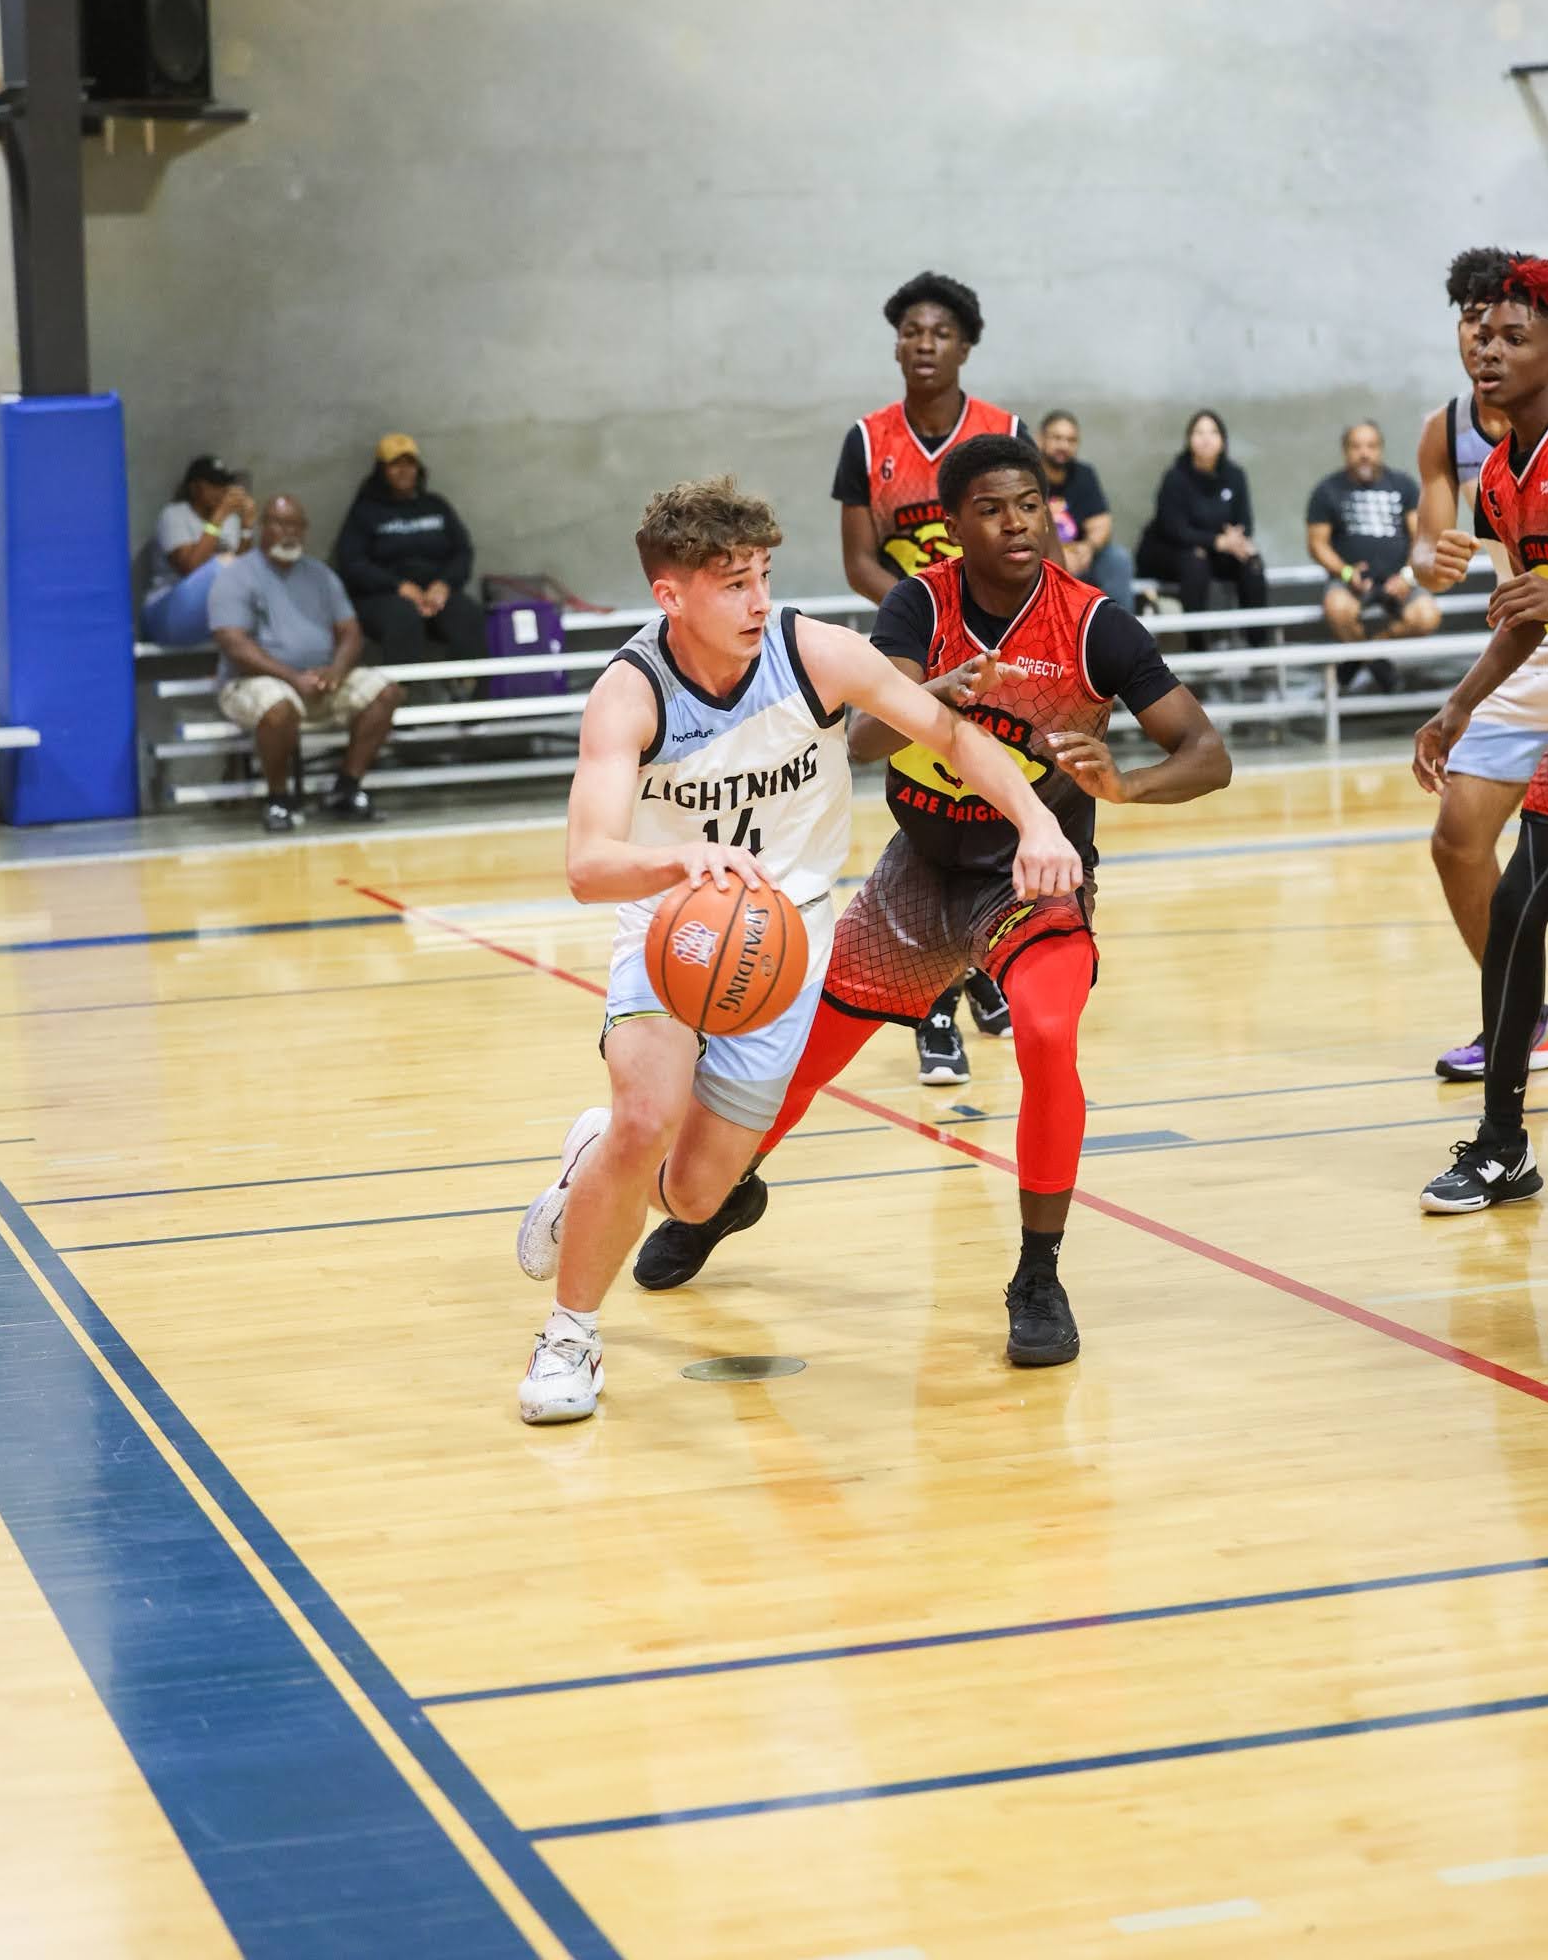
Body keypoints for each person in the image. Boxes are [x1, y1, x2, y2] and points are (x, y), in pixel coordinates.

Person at [632, 435, 1231, 1369]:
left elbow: (1208, 753)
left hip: (1028, 876)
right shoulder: (920, 603)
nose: (1016, 523)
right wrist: (928, 698)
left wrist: (1127, 785)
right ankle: (723, 1198)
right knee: (797, 1056)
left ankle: (1039, 1271)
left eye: (1029, 504)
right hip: (918, 868)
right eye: (991, 508)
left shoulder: (1093, 624)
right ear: (953, 527)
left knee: (1043, 1035)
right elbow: (863, 741)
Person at [512, 472, 1085, 1425]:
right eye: (733, 583)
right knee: (646, 1113)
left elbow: (948, 733)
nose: (758, 599)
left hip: (787, 938)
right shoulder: (630, 693)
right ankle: (570, 1338)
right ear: (672, 595)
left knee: (695, 1198)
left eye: (763, 574)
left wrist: (1034, 819)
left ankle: (590, 1162)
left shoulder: (813, 653)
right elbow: (587, 865)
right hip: (672, 926)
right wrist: (677, 865)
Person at [831, 269, 1034, 1085]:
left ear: (966, 346)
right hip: (915, 644)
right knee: (929, 813)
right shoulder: (867, 440)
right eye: (912, 331)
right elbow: (856, 563)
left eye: (940, 332)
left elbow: (1032, 544)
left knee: (994, 806)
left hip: (995, 643)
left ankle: (982, 964)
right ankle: (935, 1012)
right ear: (897, 344)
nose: (924, 344)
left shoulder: (1001, 430)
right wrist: (927, 614)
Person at [1414, 256, 1548, 1212]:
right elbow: (1526, 616)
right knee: (1514, 902)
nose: (1486, 351)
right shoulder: (1500, 474)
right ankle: (1503, 1144)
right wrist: (1458, 704)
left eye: (1511, 336)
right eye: (1479, 334)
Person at [208, 494, 401, 832]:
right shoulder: (236, 576)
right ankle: (278, 799)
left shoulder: (321, 576)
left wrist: (337, 671)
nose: (289, 532)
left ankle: (347, 788)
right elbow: (234, 645)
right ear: (264, 527)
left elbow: (351, 632)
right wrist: (292, 678)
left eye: (296, 525)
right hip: (252, 681)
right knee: (278, 706)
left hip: (320, 680)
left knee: (384, 693)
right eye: (281, 524)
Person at [333, 434, 492, 670]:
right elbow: (352, 562)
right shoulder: (365, 511)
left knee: (468, 615)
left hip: (435, 593)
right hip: (383, 596)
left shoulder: (436, 505)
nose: (404, 471)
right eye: (395, 464)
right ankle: (400, 694)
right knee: (403, 617)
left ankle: (473, 693)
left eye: (410, 463)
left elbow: (463, 551)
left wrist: (444, 585)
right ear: (381, 470)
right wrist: (398, 586)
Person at [1306, 423, 1441, 668]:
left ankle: (1363, 659)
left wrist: (1407, 576)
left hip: (1400, 579)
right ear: (1345, 451)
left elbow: (1422, 537)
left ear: (1381, 449)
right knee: (1337, 609)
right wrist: (1346, 573)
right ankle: (1378, 665)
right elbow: (1317, 545)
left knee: (1427, 616)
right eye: (1356, 447)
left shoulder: (1404, 485)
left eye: (1371, 446)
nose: (1364, 453)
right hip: (1349, 580)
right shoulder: (1326, 490)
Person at [1135, 411, 1271, 642]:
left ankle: (1258, 646)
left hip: (1218, 550)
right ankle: (1198, 646)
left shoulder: (1235, 475)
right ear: (1189, 440)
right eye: (1199, 433)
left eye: (1213, 432)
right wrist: (1217, 541)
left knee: (1252, 561)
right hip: (1171, 550)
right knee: (1195, 562)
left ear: (1223, 440)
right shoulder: (1175, 477)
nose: (1206, 438)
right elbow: (1174, 529)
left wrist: (1238, 539)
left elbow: (1245, 522)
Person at [140, 455, 256, 647]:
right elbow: (190, 567)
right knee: (224, 565)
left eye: (224, 485)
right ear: (194, 488)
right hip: (165, 612)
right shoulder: (174, 515)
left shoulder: (231, 521)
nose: (221, 492)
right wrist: (219, 516)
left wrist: (246, 527)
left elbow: (242, 572)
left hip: (209, 616)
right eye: (213, 485)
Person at [1038, 409, 1136, 612]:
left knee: (1117, 558)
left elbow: (1101, 522)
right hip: (1042, 557)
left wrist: (1088, 547)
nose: (1063, 445)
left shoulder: (1084, 474)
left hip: (1080, 555)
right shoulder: (1027, 474)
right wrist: (1058, 555)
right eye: (1057, 438)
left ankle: (1121, 633)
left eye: (1071, 440)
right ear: (1041, 439)